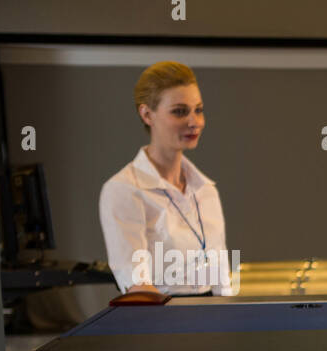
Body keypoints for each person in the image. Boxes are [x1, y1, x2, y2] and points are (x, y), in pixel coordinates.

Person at [99, 61, 235, 296]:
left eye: (198, 110)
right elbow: (138, 288)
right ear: (147, 114)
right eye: (180, 111)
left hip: (214, 321)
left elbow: (222, 281)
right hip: (159, 324)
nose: (194, 122)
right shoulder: (123, 190)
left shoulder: (206, 190)